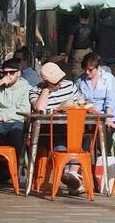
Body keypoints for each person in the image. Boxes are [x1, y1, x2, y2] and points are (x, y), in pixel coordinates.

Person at [32, 61, 85, 194]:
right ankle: (72, 177)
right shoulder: (36, 91)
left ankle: (70, 172)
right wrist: (46, 90)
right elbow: (39, 108)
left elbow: (79, 103)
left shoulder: (69, 85)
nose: (60, 83)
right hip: (48, 132)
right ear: (45, 81)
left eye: (60, 79)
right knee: (62, 140)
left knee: (81, 135)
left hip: (71, 128)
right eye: (56, 82)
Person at [0, 58, 32, 166]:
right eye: (5, 73)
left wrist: (2, 117)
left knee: (17, 134)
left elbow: (24, 110)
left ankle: (18, 170)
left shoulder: (27, 88)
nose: (8, 75)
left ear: (19, 73)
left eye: (12, 72)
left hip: (17, 121)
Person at [77, 53, 115, 135]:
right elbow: (78, 100)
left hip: (109, 114)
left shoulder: (108, 78)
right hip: (89, 116)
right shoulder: (80, 81)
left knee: (106, 131)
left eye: (90, 70)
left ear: (98, 67)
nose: (87, 72)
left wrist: (108, 118)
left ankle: (104, 147)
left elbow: (110, 100)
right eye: (85, 69)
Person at [64, 10, 95, 77]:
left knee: (77, 73)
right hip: (89, 51)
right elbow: (93, 41)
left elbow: (70, 42)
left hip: (78, 52)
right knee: (89, 72)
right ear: (88, 17)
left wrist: (67, 55)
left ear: (79, 17)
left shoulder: (74, 27)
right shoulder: (91, 27)